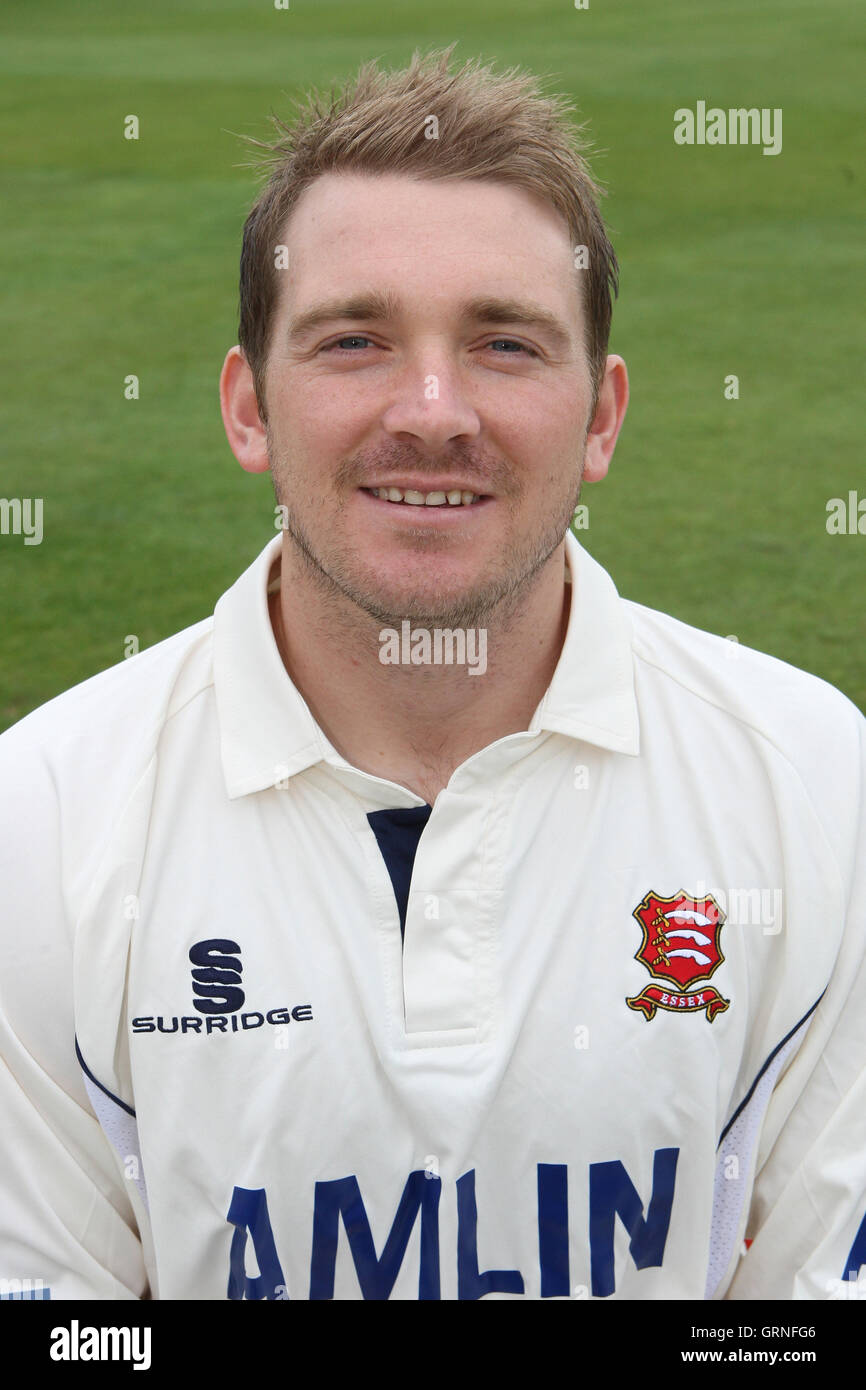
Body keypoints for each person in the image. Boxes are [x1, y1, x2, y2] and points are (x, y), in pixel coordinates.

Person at [1, 46, 863, 1302]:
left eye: (504, 345)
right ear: (247, 408)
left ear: (600, 416)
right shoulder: (41, 818)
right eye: (353, 339)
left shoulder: (815, 783)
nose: (430, 409)